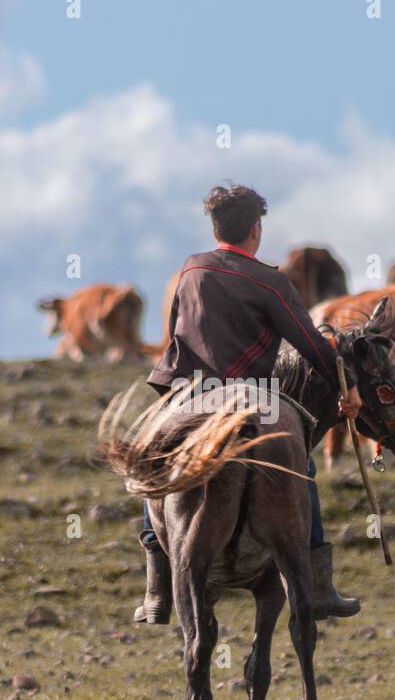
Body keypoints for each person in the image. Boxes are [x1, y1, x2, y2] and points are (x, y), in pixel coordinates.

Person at [135, 183, 362, 625]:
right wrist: (346, 386)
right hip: (252, 400)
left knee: (152, 467)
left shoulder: (189, 271)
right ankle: (317, 585)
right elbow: (311, 344)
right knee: (305, 470)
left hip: (192, 395)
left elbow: (175, 337)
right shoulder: (271, 281)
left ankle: (158, 585)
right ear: (255, 230)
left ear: (216, 227)